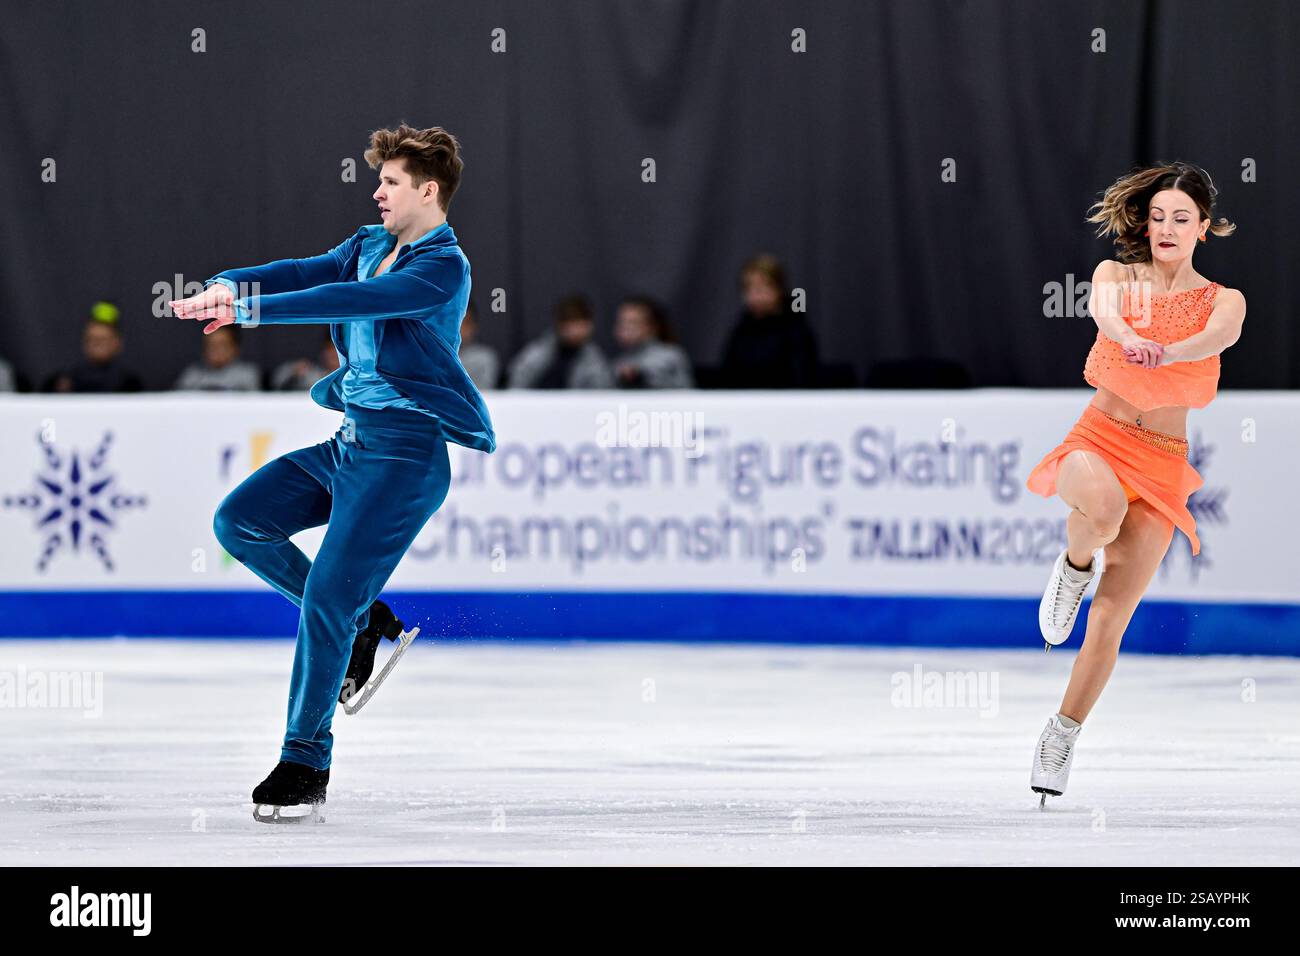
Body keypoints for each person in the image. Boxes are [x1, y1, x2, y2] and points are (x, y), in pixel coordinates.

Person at [169, 123, 494, 823]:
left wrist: (248, 311)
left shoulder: (443, 267)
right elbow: (306, 271)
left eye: (391, 183)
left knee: (322, 599)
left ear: (428, 191)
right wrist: (233, 284)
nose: (376, 192)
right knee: (239, 522)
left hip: (404, 458)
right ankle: (365, 622)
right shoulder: (369, 244)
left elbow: (358, 303)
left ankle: (305, 761)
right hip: (352, 442)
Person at [1024, 162, 1245, 807]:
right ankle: (1073, 562)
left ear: (1203, 228)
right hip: (1097, 438)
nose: (1167, 228)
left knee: (1110, 621)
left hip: (1164, 459)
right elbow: (1109, 317)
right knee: (1104, 510)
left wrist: (1170, 353)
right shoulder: (1115, 276)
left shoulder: (1224, 299)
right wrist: (1132, 338)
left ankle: (1061, 733)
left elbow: (1215, 337)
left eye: (1182, 218)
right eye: (1158, 217)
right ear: (1144, 226)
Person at [718, 254, 819, 388]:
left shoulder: (795, 329)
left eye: (760, 288)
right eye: (748, 289)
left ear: (778, 289)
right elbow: (727, 374)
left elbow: (802, 376)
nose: (754, 296)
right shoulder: (742, 329)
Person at [507, 294, 614, 388]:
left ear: (589, 326)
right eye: (571, 323)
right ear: (560, 324)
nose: (575, 330)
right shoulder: (539, 352)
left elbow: (602, 395)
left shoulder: (595, 361)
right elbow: (516, 382)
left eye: (580, 324)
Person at [44, 303, 143, 393]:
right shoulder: (66, 381)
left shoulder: (130, 384)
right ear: (84, 343)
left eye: (103, 340)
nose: (97, 345)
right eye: (93, 339)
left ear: (117, 343)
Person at [612, 295, 694, 388]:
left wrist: (642, 377)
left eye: (633, 322)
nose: (625, 328)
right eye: (622, 322)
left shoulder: (671, 355)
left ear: (652, 326)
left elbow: (685, 390)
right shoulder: (620, 361)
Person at [174, 324, 262, 391]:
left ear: (235, 348)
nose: (216, 350)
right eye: (212, 345)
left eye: (222, 345)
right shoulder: (192, 376)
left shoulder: (247, 375)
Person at [270, 329, 341, 391]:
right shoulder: (312, 375)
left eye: (336, 349)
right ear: (323, 352)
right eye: (329, 349)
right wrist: (294, 374)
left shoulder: (350, 379)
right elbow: (276, 384)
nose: (333, 354)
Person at [457, 299, 500, 390]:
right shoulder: (431, 355)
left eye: (466, 323)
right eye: (456, 322)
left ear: (474, 326)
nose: (460, 328)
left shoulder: (483, 359)